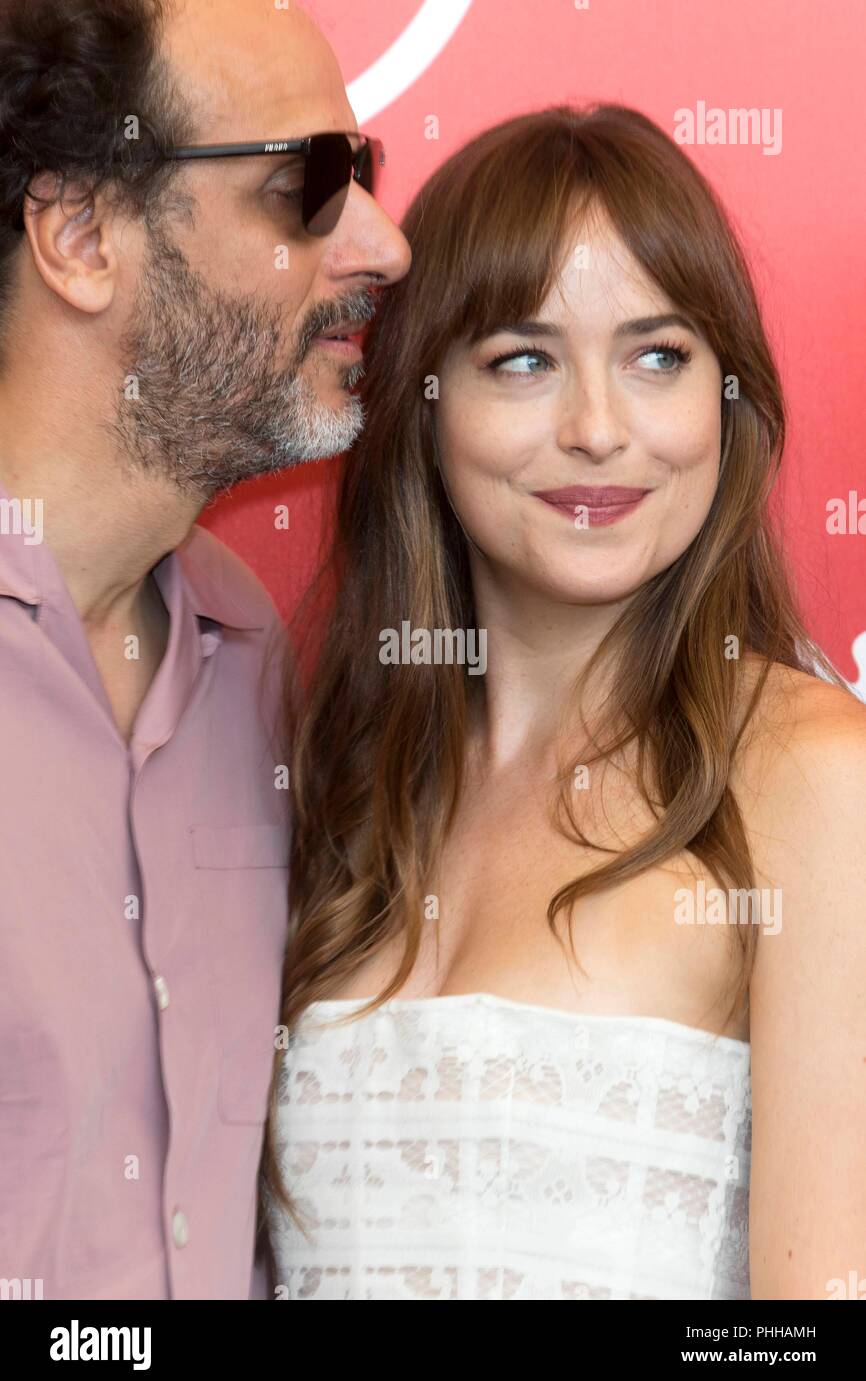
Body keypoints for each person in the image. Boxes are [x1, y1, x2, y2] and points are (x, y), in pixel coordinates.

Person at [266, 105, 866, 1300]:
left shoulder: (808, 774)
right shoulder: (340, 770)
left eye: (657, 356)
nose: (597, 430)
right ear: (421, 400)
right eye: (523, 361)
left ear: (724, 399)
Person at [0, 0, 410, 1300]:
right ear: (79, 236)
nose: (385, 245)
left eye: (369, 177)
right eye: (306, 186)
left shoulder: (246, 652)